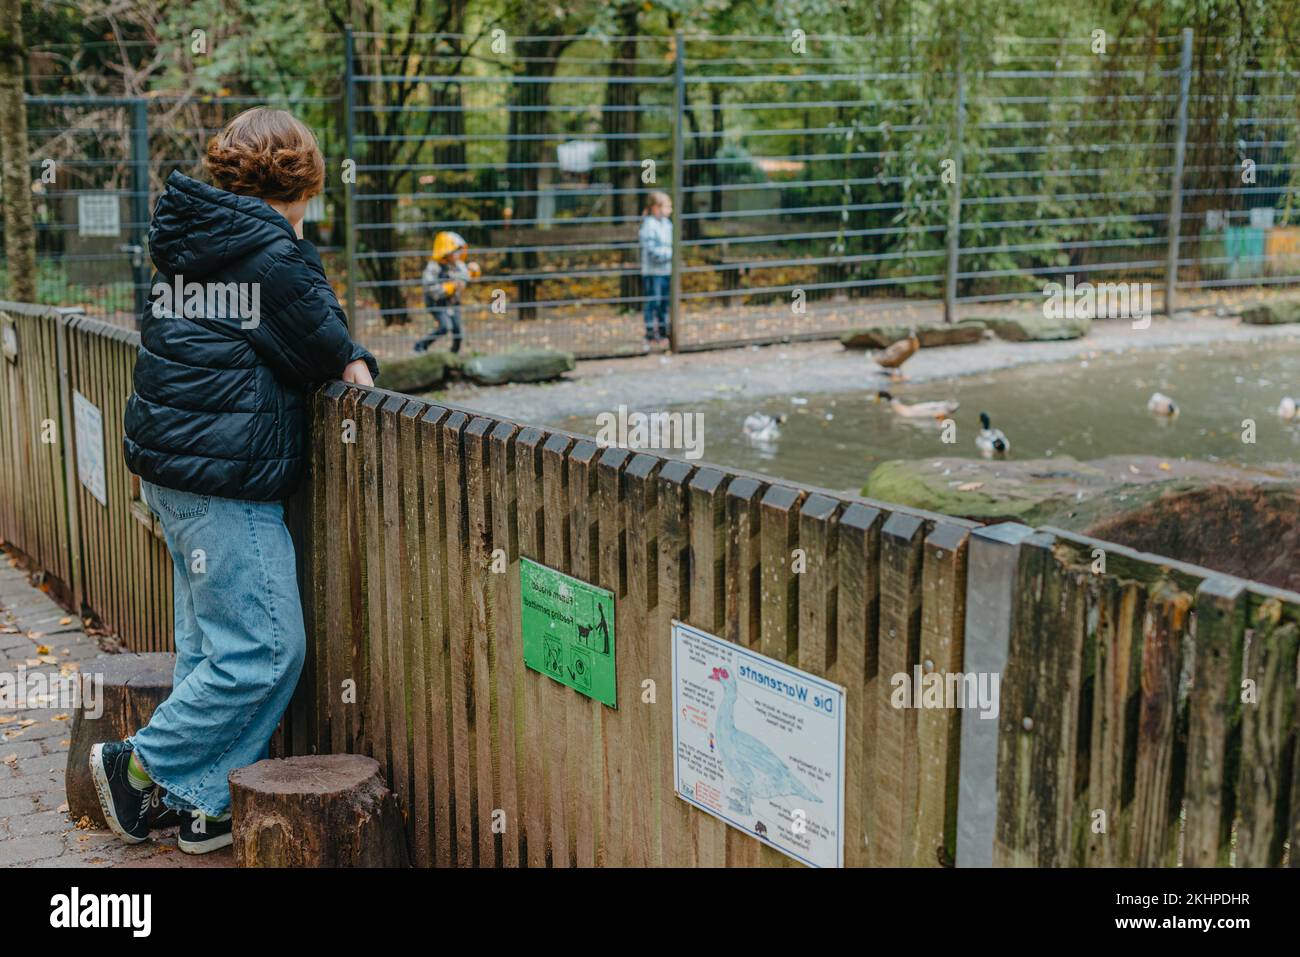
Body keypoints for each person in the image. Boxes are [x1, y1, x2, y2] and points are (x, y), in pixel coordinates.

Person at [102, 107, 378, 854]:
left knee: (211, 648)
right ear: (305, 182)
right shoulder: (269, 250)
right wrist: (354, 357)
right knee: (266, 648)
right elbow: (319, 342)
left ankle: (202, 805)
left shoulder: (197, 236)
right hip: (225, 476)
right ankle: (139, 767)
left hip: (176, 470)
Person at [414, 231, 480, 354]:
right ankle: (420, 346)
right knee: (445, 327)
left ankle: (453, 354)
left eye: (459, 250)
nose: (458, 254)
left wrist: (473, 271)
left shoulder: (458, 265)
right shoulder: (433, 267)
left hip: (452, 303)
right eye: (456, 251)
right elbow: (430, 288)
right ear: (446, 252)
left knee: (458, 330)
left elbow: (465, 276)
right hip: (436, 303)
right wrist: (449, 287)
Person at [639, 190, 673, 345]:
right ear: (655, 208)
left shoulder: (667, 224)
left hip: (666, 270)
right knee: (654, 302)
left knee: (665, 302)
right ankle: (651, 332)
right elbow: (651, 249)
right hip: (653, 272)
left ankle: (663, 330)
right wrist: (669, 255)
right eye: (666, 207)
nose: (669, 210)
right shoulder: (649, 225)